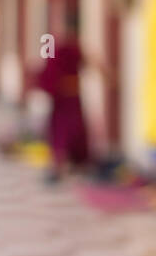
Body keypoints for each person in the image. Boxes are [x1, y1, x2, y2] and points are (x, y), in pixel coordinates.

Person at [33, 17, 105, 182]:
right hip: (61, 99)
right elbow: (47, 68)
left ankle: (73, 163)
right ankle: (58, 164)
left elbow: (91, 63)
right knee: (61, 132)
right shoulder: (54, 45)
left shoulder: (74, 48)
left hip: (72, 98)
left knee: (74, 131)